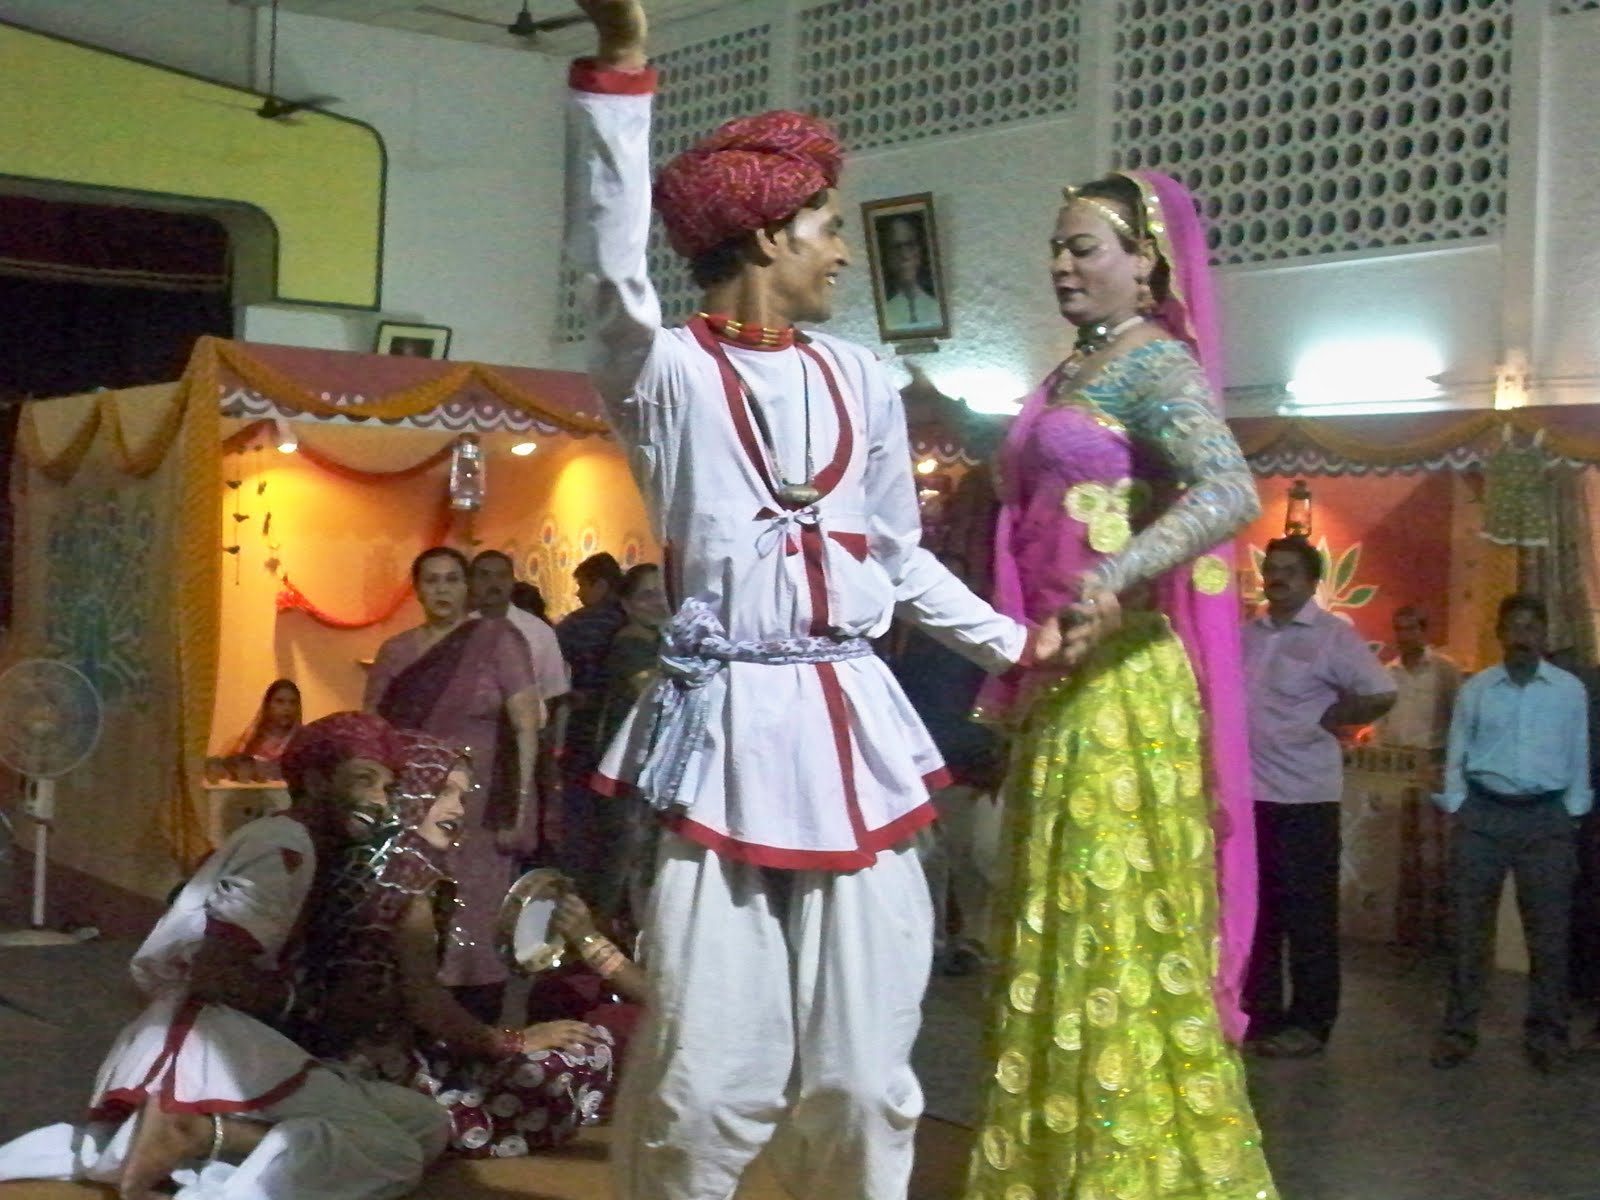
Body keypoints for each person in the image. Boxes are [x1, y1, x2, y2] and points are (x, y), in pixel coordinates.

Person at [567, 4, 1052, 1197]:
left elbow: (893, 554)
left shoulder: (863, 376)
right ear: (765, 232)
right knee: (706, 1079)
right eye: (827, 228)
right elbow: (613, 270)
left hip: (856, 735)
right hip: (724, 728)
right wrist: (623, 78)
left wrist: (1018, 643)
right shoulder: (666, 372)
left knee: (862, 1078)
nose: (842, 252)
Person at [962, 172, 1275, 1200]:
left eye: (1085, 247)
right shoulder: (1070, 371)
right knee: (1052, 916)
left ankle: (1131, 1166)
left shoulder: (1153, 363)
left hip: (1124, 682)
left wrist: (1112, 576)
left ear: (1146, 261)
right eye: (1055, 248)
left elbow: (1230, 487)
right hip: (1063, 681)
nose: (1062, 265)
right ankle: (1058, 1160)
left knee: (1111, 924)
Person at [0, 713, 450, 1200]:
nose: (376, 801)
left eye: (386, 787)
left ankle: (196, 1135)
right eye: (363, 780)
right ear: (317, 780)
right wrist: (308, 1007)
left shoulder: (304, 847)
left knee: (425, 1121)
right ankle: (201, 1155)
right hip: (209, 1037)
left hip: (217, 1037)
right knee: (391, 1154)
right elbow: (217, 973)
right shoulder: (284, 850)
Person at [291, 729, 614, 1155]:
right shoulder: (407, 886)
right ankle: (438, 1129)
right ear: (408, 795)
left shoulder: (359, 860)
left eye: (463, 796)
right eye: (443, 792)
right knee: (584, 1052)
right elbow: (425, 1001)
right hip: (376, 1070)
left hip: (333, 1056)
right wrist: (516, 1041)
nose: (457, 809)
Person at [364, 545, 543, 1025]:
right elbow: (373, 735)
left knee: (478, 907)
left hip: (482, 802)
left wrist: (521, 804)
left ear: (466, 588)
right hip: (414, 802)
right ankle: (416, 1012)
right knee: (418, 901)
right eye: (432, 581)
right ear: (418, 590)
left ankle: (478, 1025)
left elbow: (527, 725)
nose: (442, 590)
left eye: (451, 580)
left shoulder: (497, 640)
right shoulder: (397, 652)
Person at [1242, 535, 1396, 1057]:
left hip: (1306, 797)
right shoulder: (1248, 635)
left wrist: (1337, 719)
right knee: (1258, 914)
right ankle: (1259, 1018)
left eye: (1289, 570)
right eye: (1271, 569)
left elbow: (1380, 690)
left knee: (1308, 916)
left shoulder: (1333, 636)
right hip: (1251, 797)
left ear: (1311, 582)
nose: (1277, 578)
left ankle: (1310, 1023)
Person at [1430, 594, 1591, 1073]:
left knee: (1549, 933)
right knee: (1467, 928)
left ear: (1544, 636)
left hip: (1547, 819)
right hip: (1483, 815)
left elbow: (1578, 751)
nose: (1522, 637)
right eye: (1514, 628)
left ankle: (1547, 1034)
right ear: (1500, 634)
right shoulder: (1477, 688)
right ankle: (1459, 1030)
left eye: (1531, 628)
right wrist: (1458, 804)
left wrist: (1574, 811)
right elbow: (1457, 749)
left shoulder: (1568, 691)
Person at [589, 562, 672, 917]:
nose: (658, 602)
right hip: (630, 772)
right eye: (647, 595)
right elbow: (655, 694)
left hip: (649, 768)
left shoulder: (657, 641)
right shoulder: (629, 645)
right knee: (628, 861)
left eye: (663, 593)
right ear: (626, 604)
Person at [552, 551, 628, 872]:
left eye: (583, 585)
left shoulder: (579, 625)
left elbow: (553, 674)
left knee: (581, 807)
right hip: (626, 729)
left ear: (601, 584)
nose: (578, 594)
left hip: (585, 725)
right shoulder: (632, 621)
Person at [470, 548, 572, 722]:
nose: (493, 583)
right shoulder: (459, 630)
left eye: (501, 575)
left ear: (512, 581)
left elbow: (553, 692)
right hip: (469, 732)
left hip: (526, 732)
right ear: (471, 582)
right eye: (484, 575)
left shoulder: (539, 631)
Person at [1378, 604, 1461, 755]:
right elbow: (1380, 720)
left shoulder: (1445, 669)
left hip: (1432, 756)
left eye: (1410, 629)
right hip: (1393, 755)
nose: (1404, 636)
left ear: (1423, 631)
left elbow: (1459, 716)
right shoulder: (1388, 672)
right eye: (1399, 629)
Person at [878, 215, 941, 332]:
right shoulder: (885, 311)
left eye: (910, 245)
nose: (904, 254)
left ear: (919, 251)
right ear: (887, 254)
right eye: (896, 247)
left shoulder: (936, 307)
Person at [225, 678, 302, 768]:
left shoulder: (303, 741)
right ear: (267, 705)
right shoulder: (250, 738)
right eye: (279, 701)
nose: (287, 708)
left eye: (293, 703)